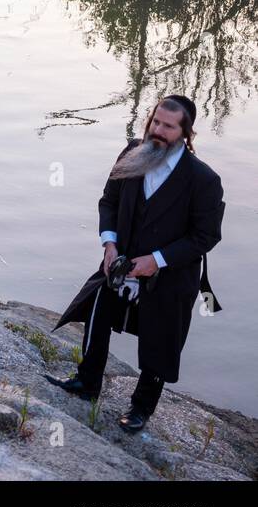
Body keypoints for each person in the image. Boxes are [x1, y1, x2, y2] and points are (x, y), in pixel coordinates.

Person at [48, 96, 225, 433]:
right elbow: (109, 202)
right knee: (98, 310)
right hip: (121, 260)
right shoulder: (132, 152)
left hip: (171, 274)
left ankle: (141, 409)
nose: (157, 130)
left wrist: (156, 261)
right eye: (155, 122)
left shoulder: (203, 179)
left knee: (161, 338)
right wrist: (109, 244)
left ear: (186, 133)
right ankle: (87, 383)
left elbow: (205, 237)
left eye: (168, 126)